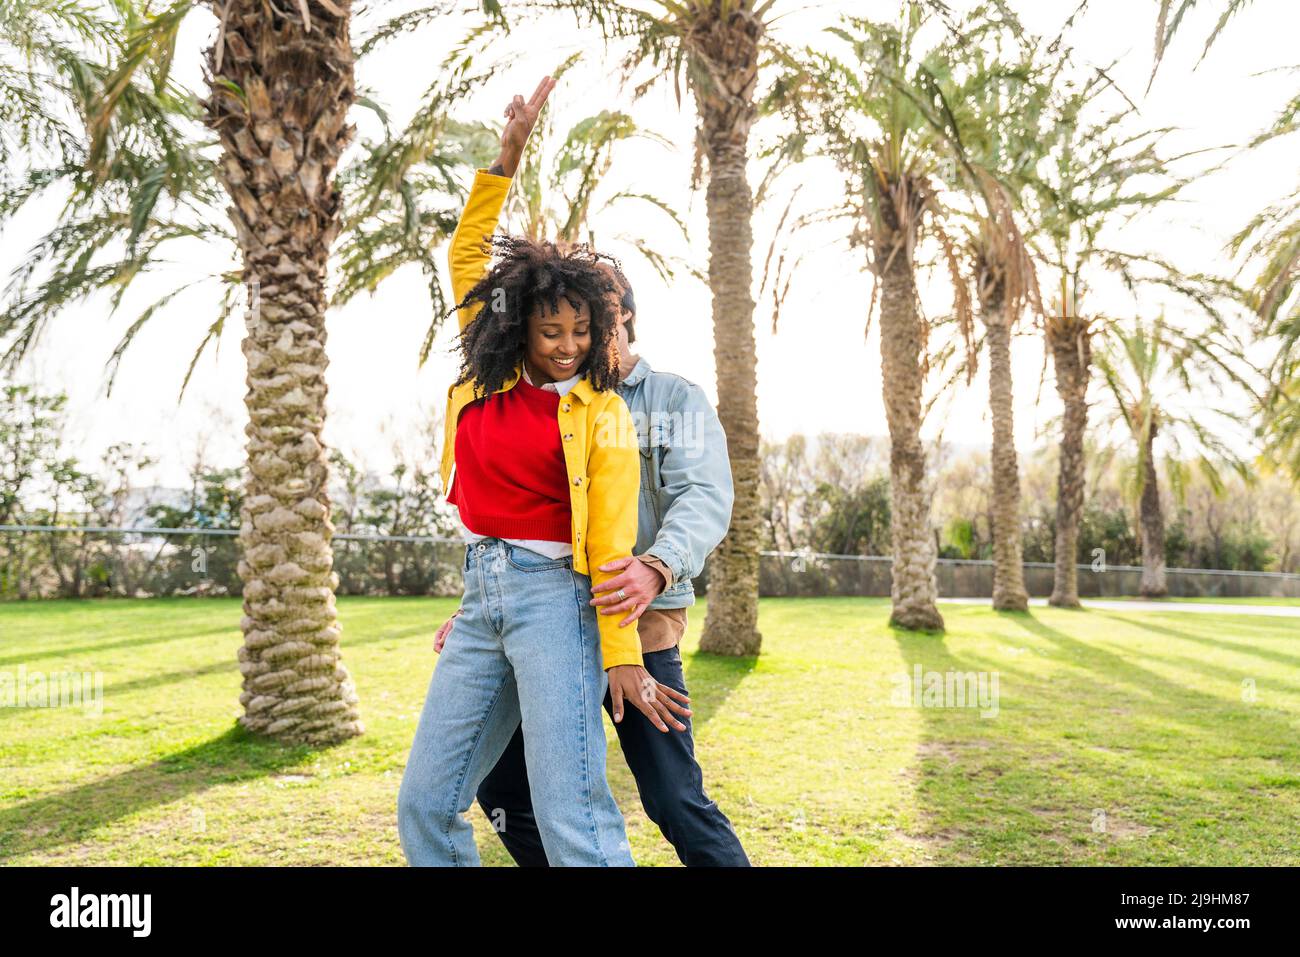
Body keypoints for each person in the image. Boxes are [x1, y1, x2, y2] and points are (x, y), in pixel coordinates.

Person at [433, 79, 751, 867]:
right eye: (560, 321)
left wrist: (655, 566)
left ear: (621, 321)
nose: (572, 336)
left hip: (634, 629)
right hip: (542, 622)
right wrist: (485, 607)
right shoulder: (541, 393)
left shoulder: (666, 398)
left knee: (674, 797)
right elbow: (514, 507)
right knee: (505, 794)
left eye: (592, 320)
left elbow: (705, 496)